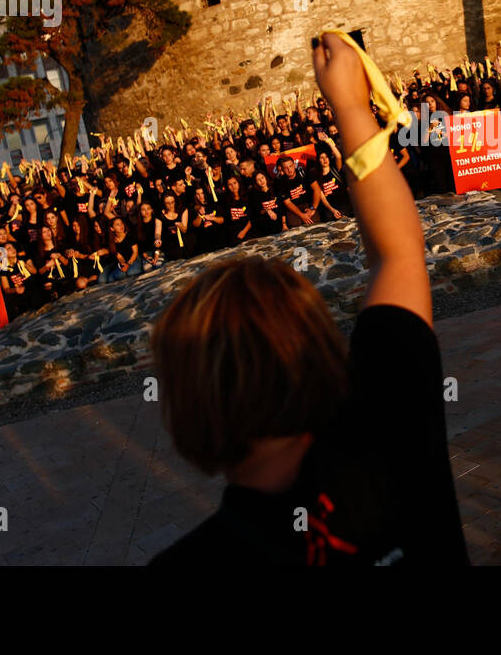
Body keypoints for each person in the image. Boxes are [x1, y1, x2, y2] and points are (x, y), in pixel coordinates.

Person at [150, 30, 466, 566]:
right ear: (320, 355)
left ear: (186, 410)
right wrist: (351, 106)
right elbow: (398, 254)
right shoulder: (389, 432)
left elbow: (397, 256)